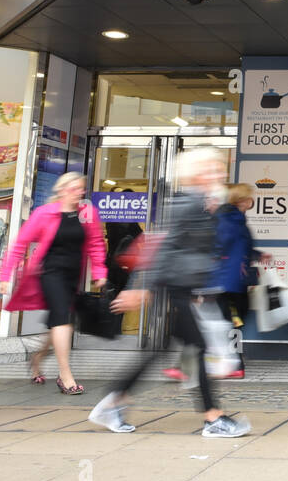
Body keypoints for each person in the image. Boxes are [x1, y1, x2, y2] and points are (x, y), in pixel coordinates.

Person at [89, 147, 250, 438]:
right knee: (197, 348)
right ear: (197, 174)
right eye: (213, 169)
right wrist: (141, 288)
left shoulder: (204, 203)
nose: (221, 174)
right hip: (177, 287)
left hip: (189, 286)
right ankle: (213, 418)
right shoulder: (186, 203)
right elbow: (163, 247)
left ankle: (114, 401)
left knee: (162, 351)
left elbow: (199, 250)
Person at [0, 171, 107, 395]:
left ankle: (37, 359)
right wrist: (5, 275)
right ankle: (65, 376)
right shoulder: (44, 213)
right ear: (61, 190)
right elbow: (20, 244)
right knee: (63, 319)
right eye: (74, 189)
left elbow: (95, 242)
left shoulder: (87, 213)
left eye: (81, 189)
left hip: (73, 275)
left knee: (60, 323)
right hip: (50, 273)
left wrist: (99, 270)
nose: (79, 193)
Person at [213, 182, 257, 378]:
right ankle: (233, 364)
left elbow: (241, 248)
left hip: (234, 279)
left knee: (233, 321)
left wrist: (257, 255)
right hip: (227, 281)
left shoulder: (236, 218)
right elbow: (222, 248)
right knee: (230, 321)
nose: (252, 200)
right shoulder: (229, 219)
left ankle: (233, 363)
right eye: (249, 196)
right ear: (242, 200)